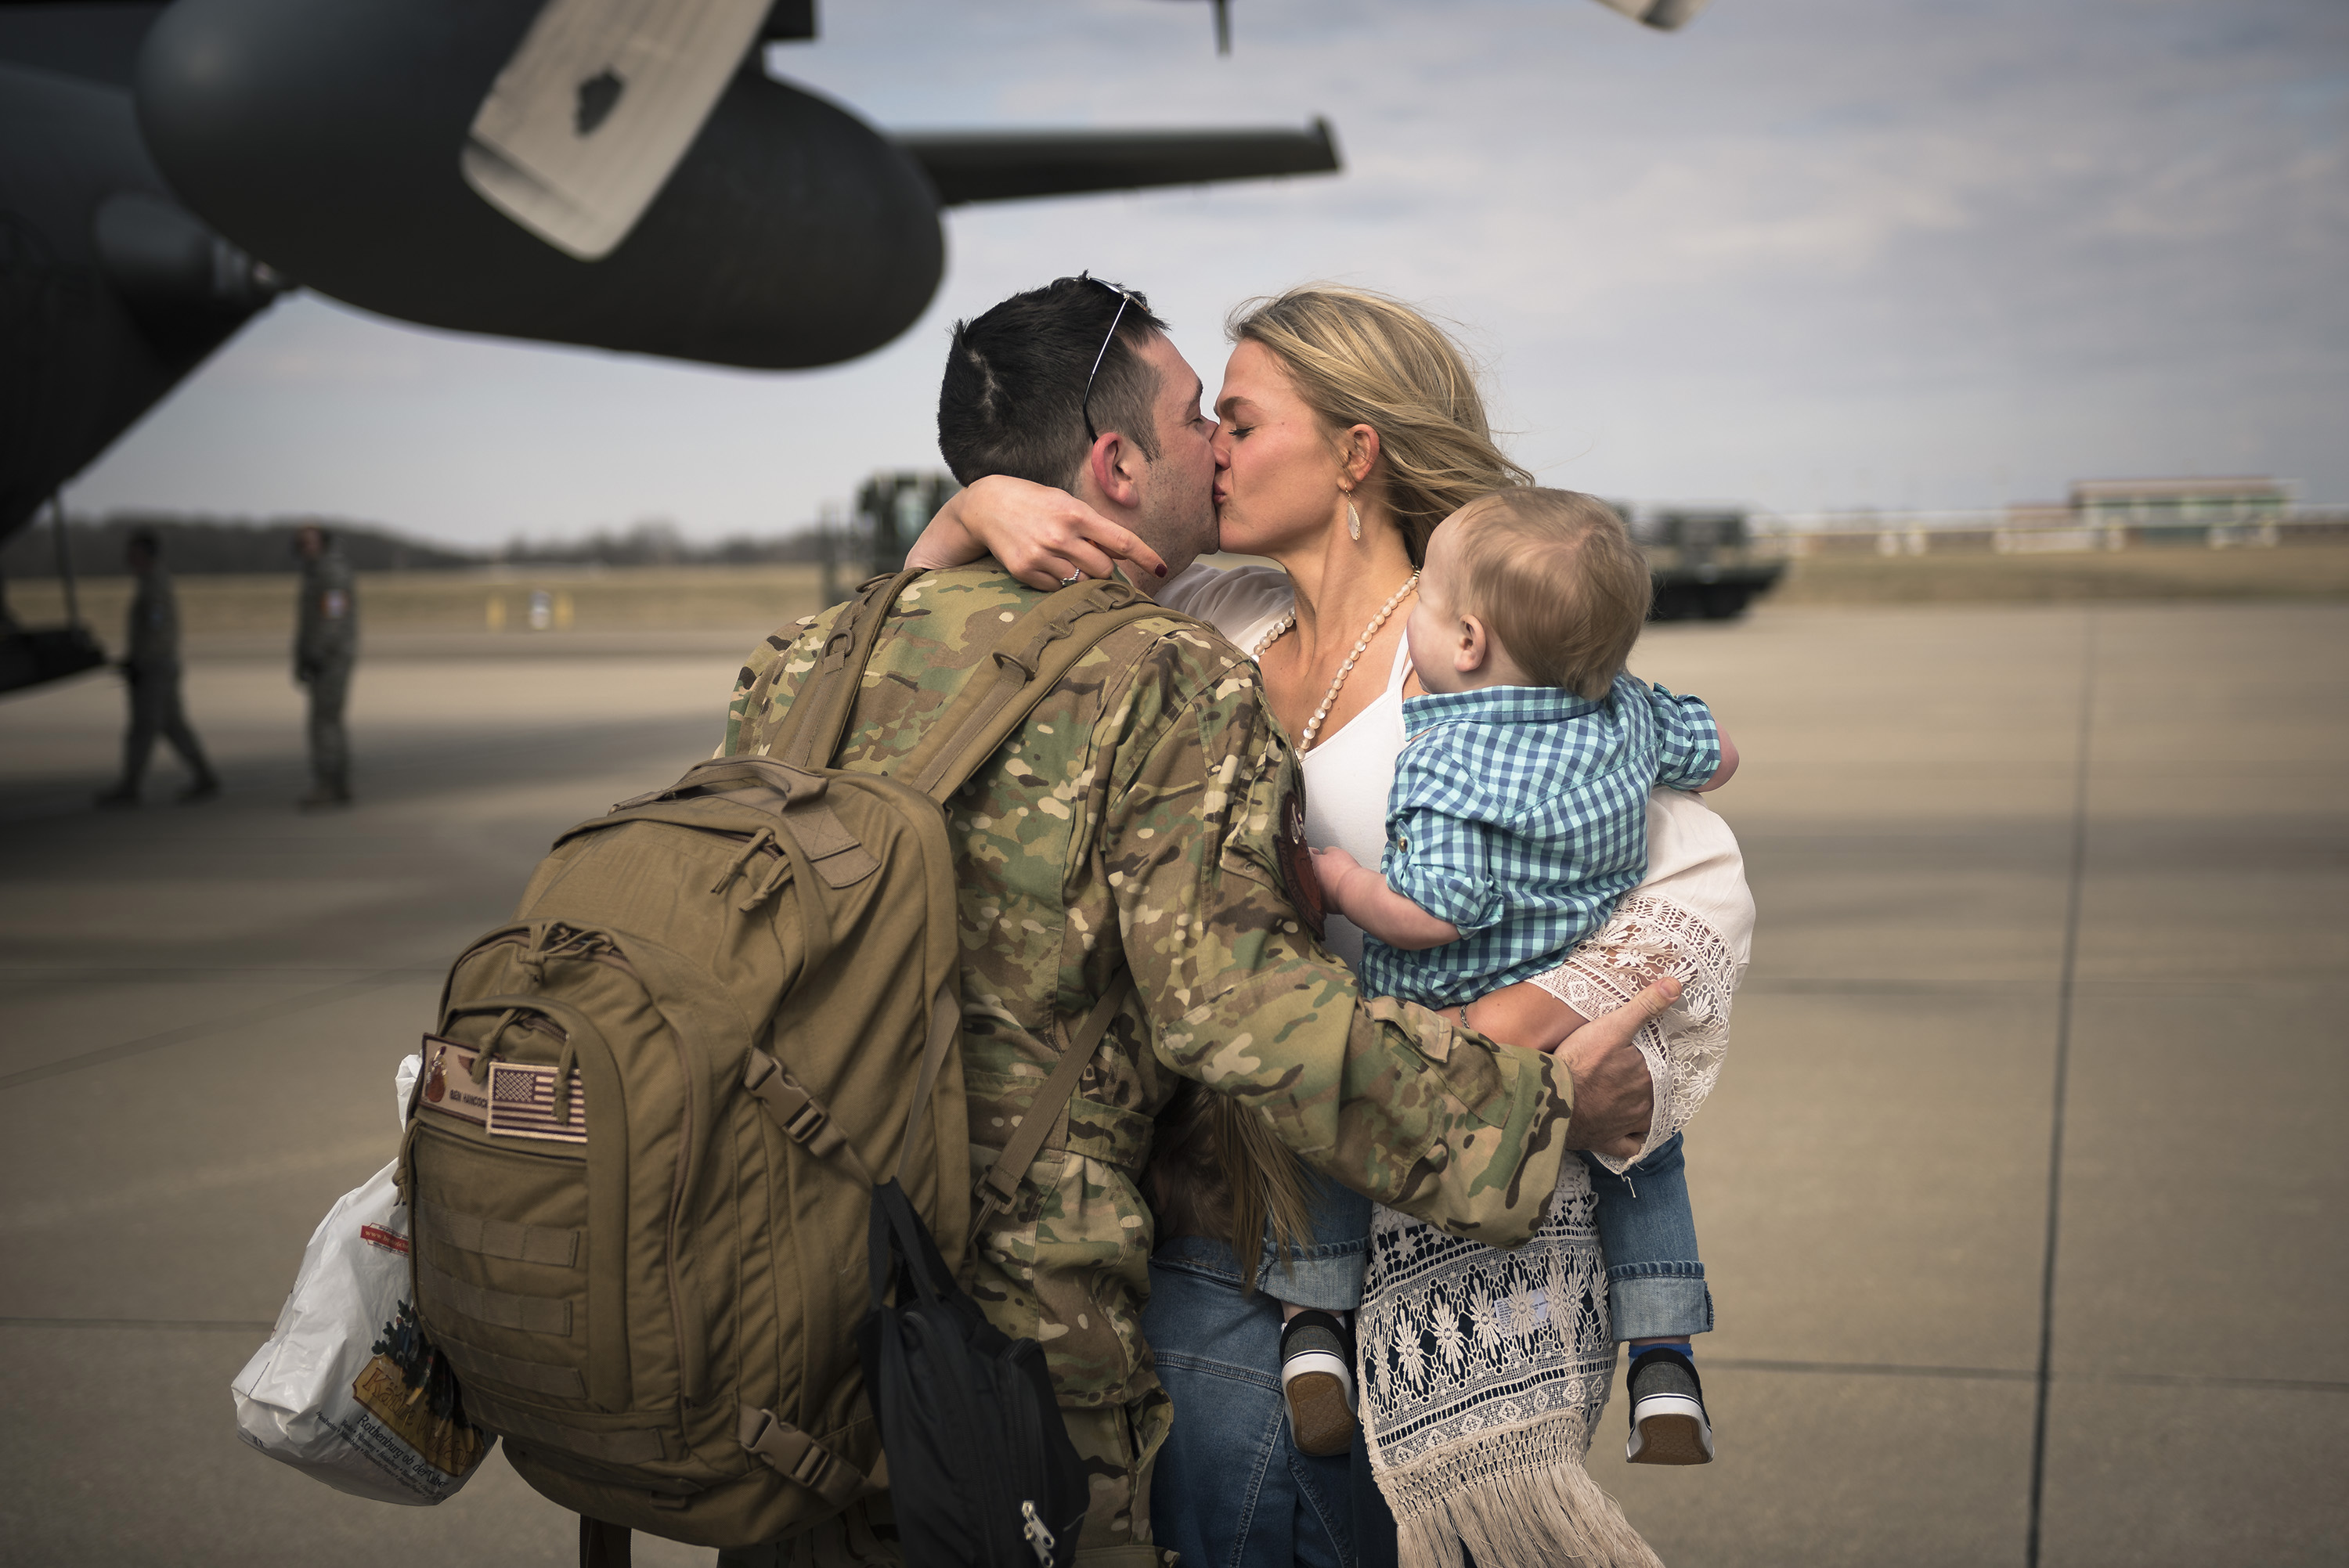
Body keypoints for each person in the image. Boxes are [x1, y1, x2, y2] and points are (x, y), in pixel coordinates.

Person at [713, 276, 1672, 1568]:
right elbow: (1237, 1008)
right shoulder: (1164, 669)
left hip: (803, 1288)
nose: (1215, 446)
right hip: (1024, 1322)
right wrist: (1534, 1109)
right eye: (1192, 419)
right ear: (1113, 461)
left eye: (1238, 419)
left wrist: (956, 516)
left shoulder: (800, 658)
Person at [1310, 486, 1736, 1470]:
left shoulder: (1449, 757)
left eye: (1420, 606)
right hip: (1581, 1006)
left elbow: (1434, 909)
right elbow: (1718, 754)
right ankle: (1666, 1359)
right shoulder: (1630, 709)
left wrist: (1342, 882)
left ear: (1466, 641)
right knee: (1644, 1155)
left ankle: (1316, 1330)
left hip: (1451, 1011)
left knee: (1333, 1126)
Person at [95, 528, 219, 808]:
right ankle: (204, 776)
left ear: (146, 554)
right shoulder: (150, 583)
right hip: (157, 665)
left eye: (134, 552)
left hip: (155, 668)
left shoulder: (155, 586)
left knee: (143, 728)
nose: (128, 558)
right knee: (173, 725)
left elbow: (157, 631)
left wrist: (141, 661)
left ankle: (130, 786)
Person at [292, 524, 356, 809]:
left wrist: (316, 653)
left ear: (323, 544)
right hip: (326, 656)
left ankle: (328, 785)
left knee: (324, 723)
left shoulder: (331, 573)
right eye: (301, 543)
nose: (304, 548)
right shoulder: (315, 572)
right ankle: (338, 784)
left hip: (331, 659)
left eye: (310, 543)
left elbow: (333, 619)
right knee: (330, 721)